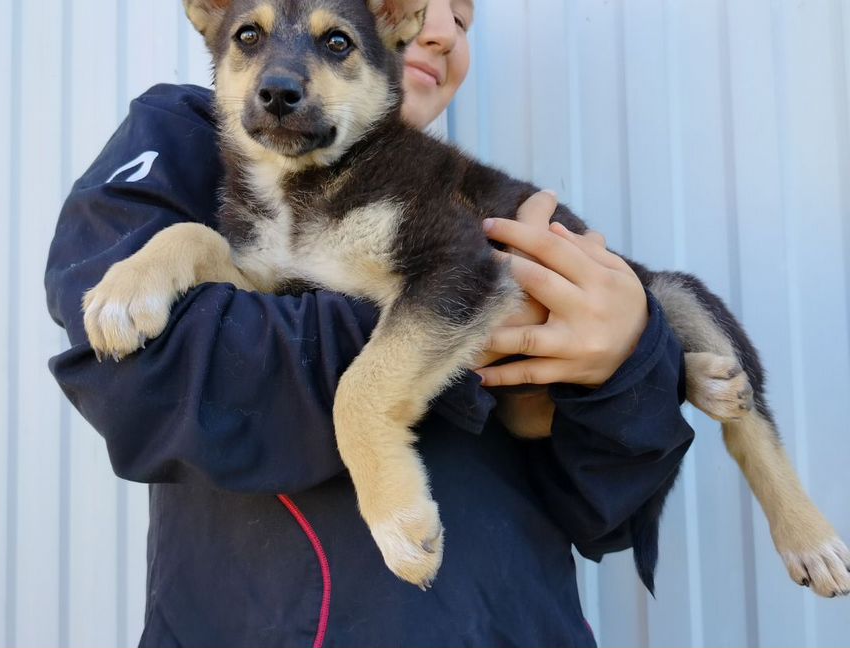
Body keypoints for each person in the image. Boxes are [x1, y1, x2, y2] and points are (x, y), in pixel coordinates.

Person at [45, 0, 694, 646]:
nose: (436, 30)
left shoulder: (489, 209)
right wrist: (448, 325)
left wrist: (625, 366)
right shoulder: (186, 134)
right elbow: (144, 373)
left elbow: (605, 515)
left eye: (461, 19)